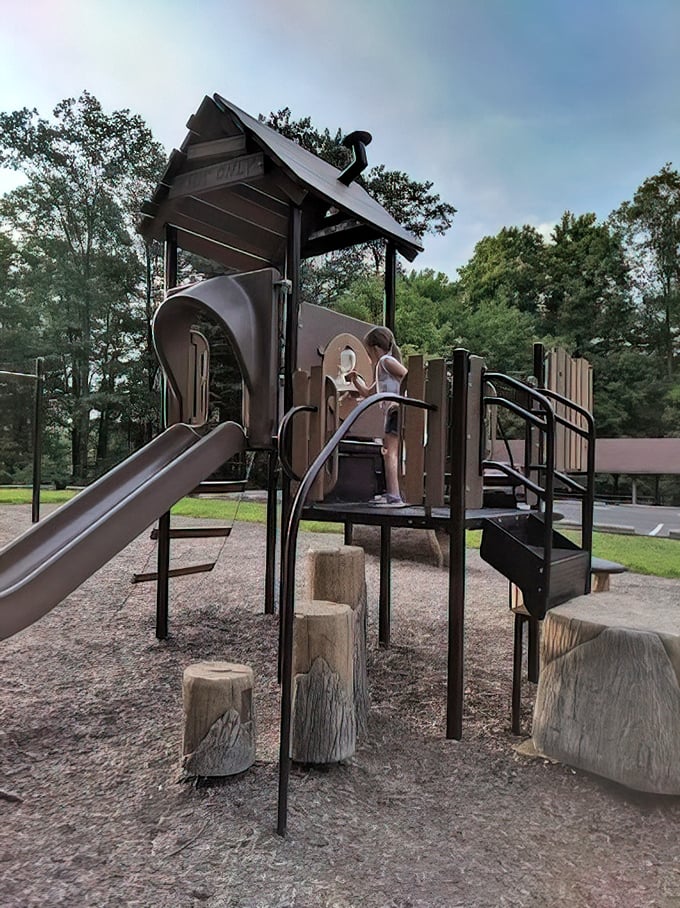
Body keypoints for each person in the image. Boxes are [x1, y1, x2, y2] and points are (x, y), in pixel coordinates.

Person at [347, 326, 408, 506]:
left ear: (374, 349)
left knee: (390, 453)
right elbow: (369, 392)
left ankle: (394, 496)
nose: (368, 357)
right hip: (394, 411)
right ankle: (395, 493)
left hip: (396, 409)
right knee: (391, 453)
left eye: (367, 352)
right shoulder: (381, 369)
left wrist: (399, 399)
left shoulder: (386, 361)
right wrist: (355, 379)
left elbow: (407, 375)